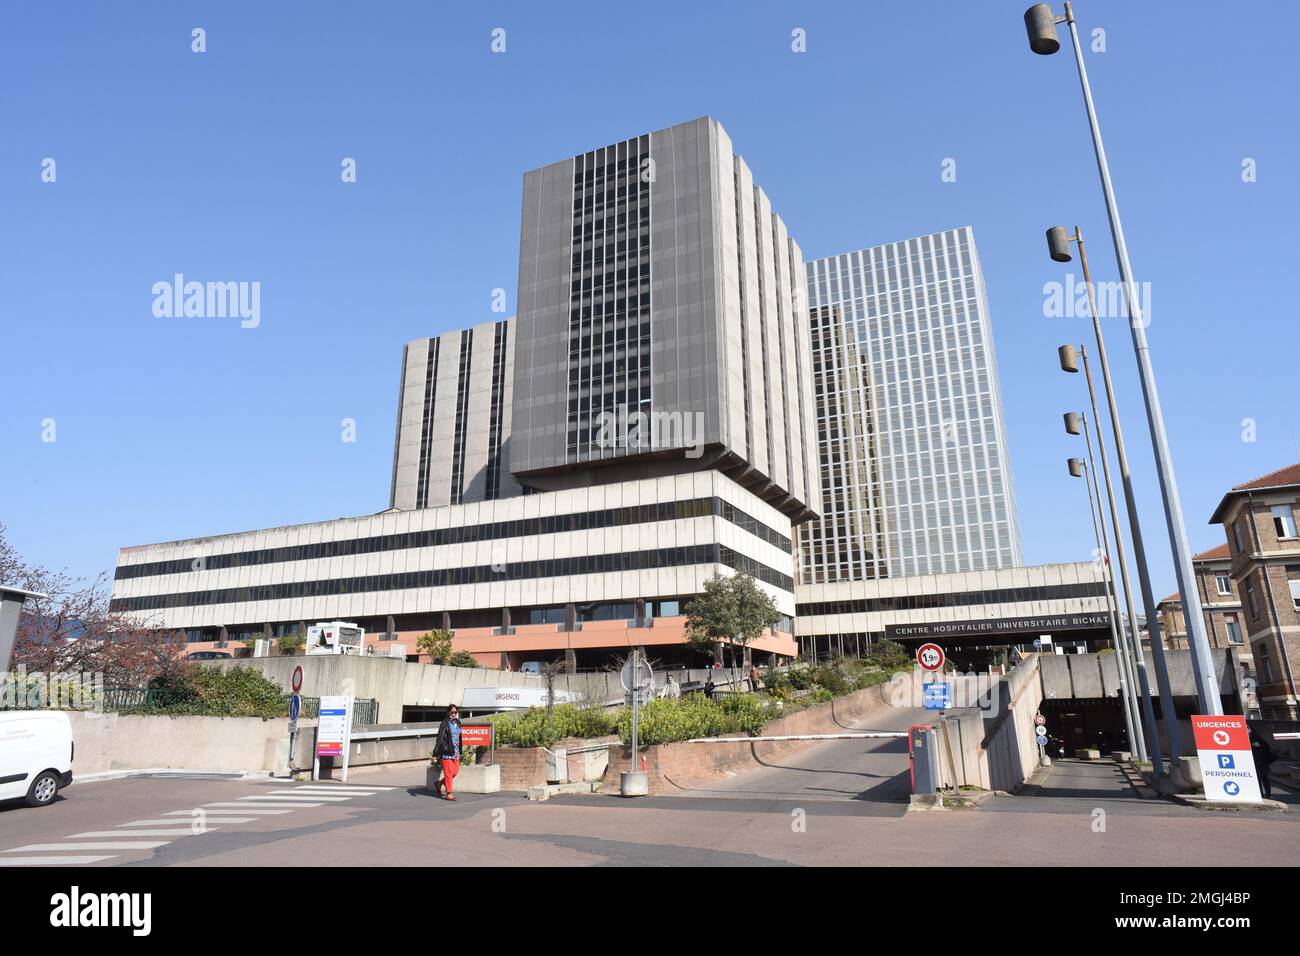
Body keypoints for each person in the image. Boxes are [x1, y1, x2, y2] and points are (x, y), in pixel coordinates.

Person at [433, 704, 462, 801]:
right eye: (452, 712)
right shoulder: (444, 723)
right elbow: (439, 738)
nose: (454, 714)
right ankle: (448, 793)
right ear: (448, 712)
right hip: (446, 751)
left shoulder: (458, 722)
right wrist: (435, 753)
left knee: (455, 772)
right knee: (449, 773)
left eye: (455, 712)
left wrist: (461, 750)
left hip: (456, 751)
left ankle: (439, 783)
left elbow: (459, 737)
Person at [1250, 729, 1276, 799]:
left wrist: (1259, 746)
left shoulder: (1256, 736)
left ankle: (1268, 794)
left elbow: (1267, 746)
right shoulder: (1245, 738)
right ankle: (1260, 795)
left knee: (1264, 777)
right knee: (1258, 779)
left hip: (1262, 760)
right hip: (1254, 761)